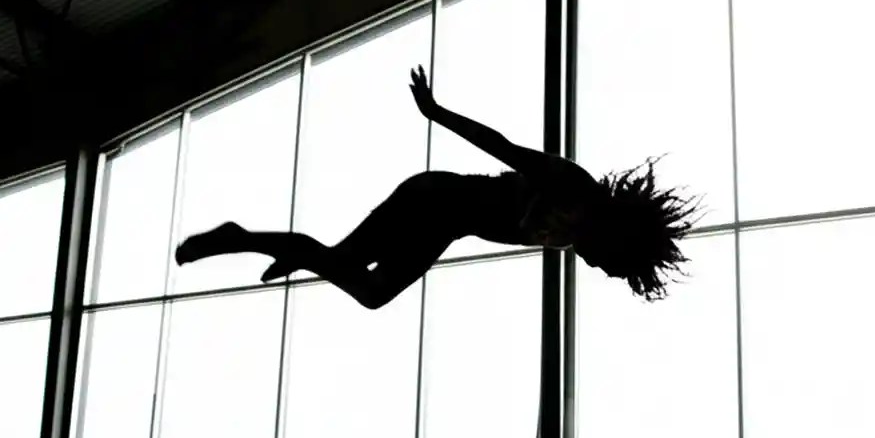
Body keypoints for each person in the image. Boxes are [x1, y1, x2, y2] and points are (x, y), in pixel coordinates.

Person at [174, 65, 702, 311]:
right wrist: (436, 113)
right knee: (356, 273)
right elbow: (501, 146)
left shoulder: (569, 236)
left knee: (366, 287)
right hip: (432, 199)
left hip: (444, 226)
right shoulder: (574, 187)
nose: (594, 268)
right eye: (608, 264)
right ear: (618, 236)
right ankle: (247, 239)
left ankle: (273, 245)